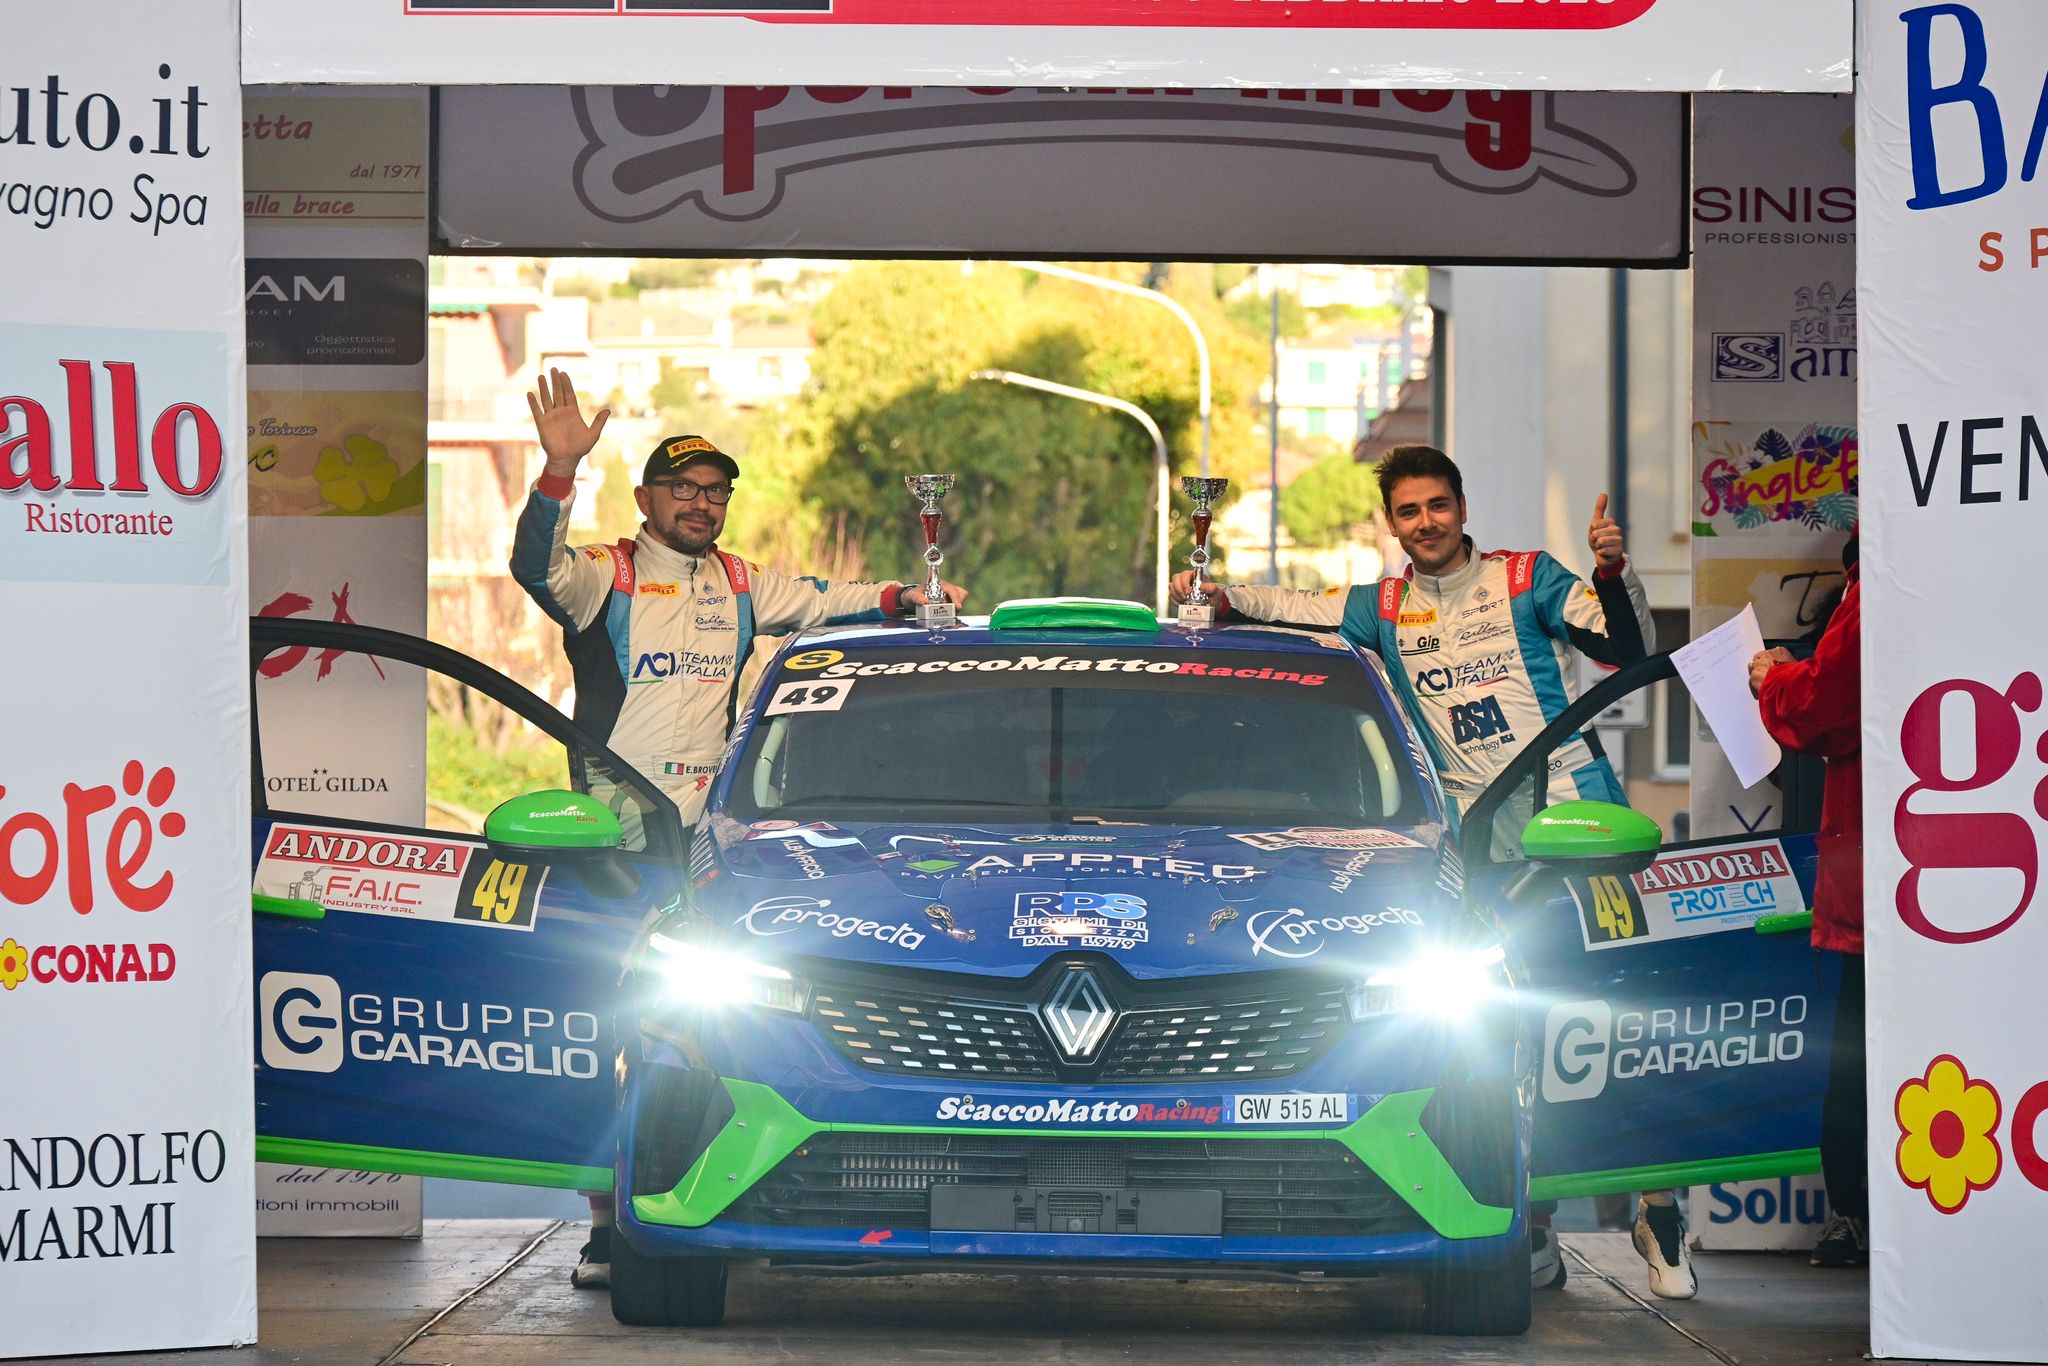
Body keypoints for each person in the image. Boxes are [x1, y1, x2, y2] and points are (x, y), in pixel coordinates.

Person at [1169, 444, 1695, 1300]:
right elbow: (1302, 612)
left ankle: (1659, 1205)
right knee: (1496, 1029)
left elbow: (1623, 650)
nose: (1427, 523)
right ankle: (1530, 1223)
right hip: (1475, 841)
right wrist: (1223, 599)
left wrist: (1612, 570)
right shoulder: (1379, 609)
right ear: (1392, 523)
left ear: (1461, 504)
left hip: (1576, 817)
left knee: (1615, 1012)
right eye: (1409, 512)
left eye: (1438, 506)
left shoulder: (1527, 577)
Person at [509, 368, 966, 1288]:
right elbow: (533, 568)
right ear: (646, 499)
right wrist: (558, 471)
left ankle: (727, 1187)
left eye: (715, 491)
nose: (701, 504)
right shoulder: (608, 573)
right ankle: (608, 1224)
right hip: (615, 829)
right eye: (683, 489)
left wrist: (902, 599)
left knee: (711, 1014)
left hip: (711, 835)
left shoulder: (742, 581)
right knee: (614, 1021)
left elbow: (825, 599)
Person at [1750, 534, 1863, 1269]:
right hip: (1963, 879)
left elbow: (1822, 707)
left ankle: (1856, 1218)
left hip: (1887, 876)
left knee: (1856, 1058)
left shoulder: (1880, 589)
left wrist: (1773, 677)